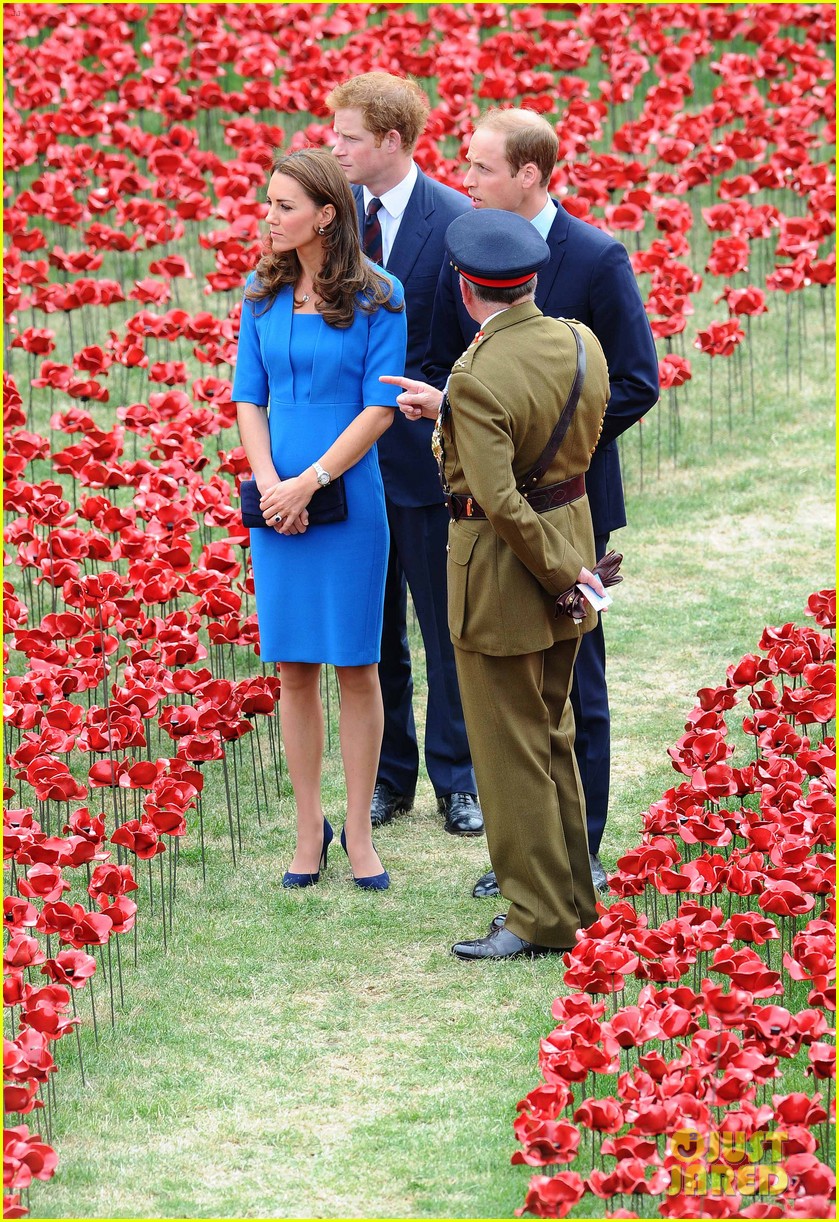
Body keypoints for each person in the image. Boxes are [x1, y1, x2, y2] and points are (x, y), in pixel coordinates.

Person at [424, 107, 659, 898]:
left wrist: (543, 457)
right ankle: (528, 856)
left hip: (566, 502)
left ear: (528, 173)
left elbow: (635, 380)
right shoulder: (467, 247)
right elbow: (445, 359)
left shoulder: (593, 256)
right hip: (498, 512)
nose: (467, 179)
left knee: (570, 687)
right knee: (519, 702)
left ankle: (576, 851)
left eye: (482, 167)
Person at [381, 209, 610, 959]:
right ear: (527, 281)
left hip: (511, 576)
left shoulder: (475, 374)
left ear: (464, 287)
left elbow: (501, 499)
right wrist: (569, 566)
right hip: (571, 549)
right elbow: (556, 446)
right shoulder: (577, 341)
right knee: (552, 732)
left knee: (509, 751)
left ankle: (534, 917)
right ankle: (573, 894)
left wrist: (554, 571)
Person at [232, 148, 407, 892]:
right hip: (277, 505)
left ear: (325, 216)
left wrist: (311, 480)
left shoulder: (382, 295)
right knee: (294, 670)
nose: (266, 217)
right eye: (267, 203)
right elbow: (248, 397)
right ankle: (310, 830)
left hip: (348, 500)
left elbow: (380, 407)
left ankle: (361, 834)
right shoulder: (259, 293)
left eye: (282, 206)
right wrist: (274, 485)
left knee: (357, 667)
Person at [325, 71, 484, 837]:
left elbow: (473, 347)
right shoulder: (329, 223)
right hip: (348, 462)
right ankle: (390, 779)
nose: (335, 147)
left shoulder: (453, 220)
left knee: (443, 623)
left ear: (391, 140)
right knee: (371, 627)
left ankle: (457, 779)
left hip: (427, 464)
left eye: (349, 136)